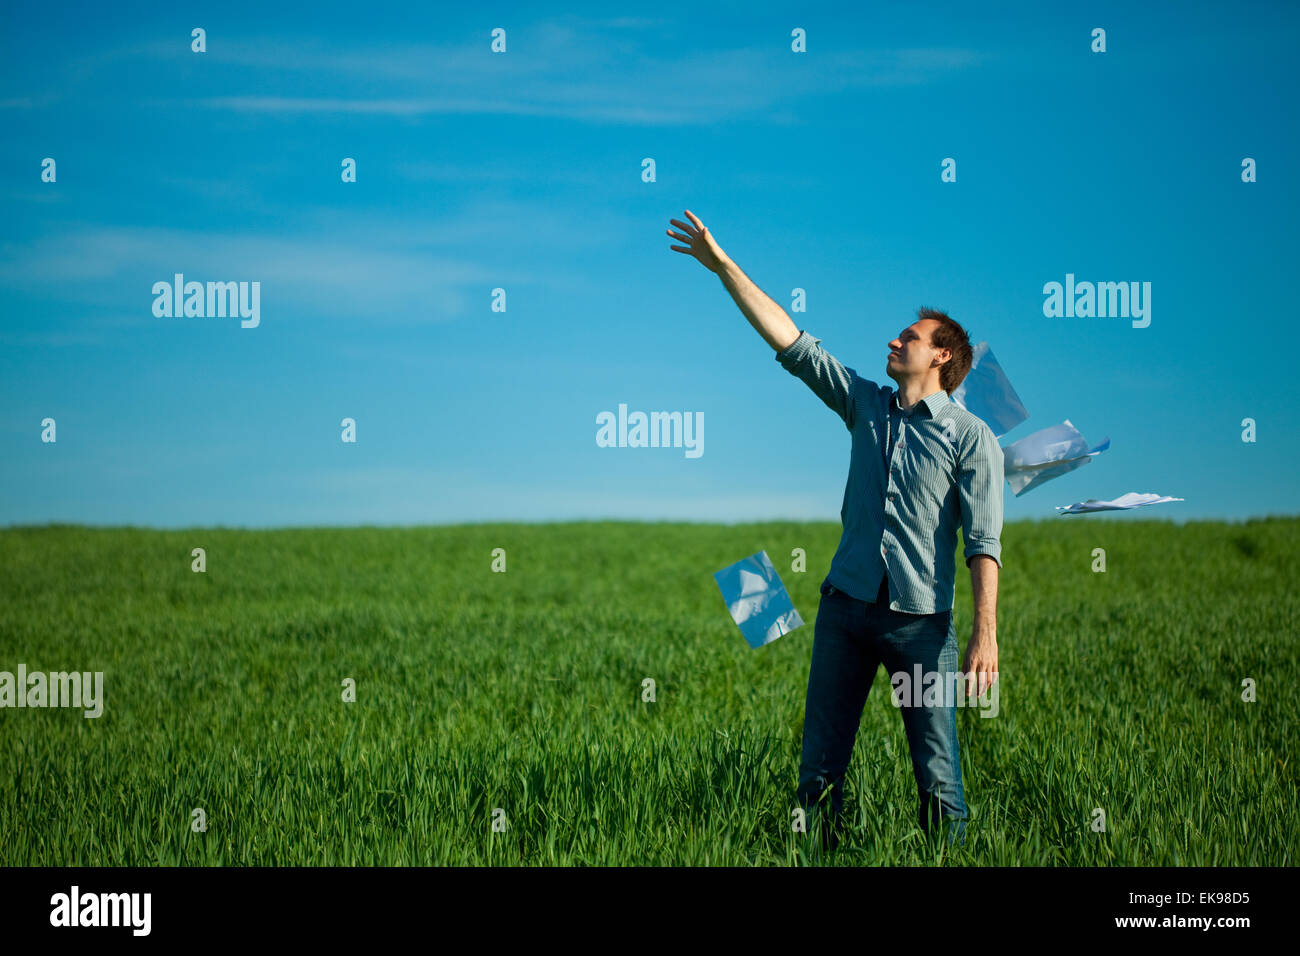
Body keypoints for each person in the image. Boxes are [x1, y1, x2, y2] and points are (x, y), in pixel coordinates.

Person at [668, 209, 1003, 851]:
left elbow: (983, 544)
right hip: (844, 613)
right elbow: (793, 343)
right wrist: (723, 267)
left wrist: (984, 635)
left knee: (939, 782)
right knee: (819, 775)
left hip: (923, 625)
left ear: (941, 355)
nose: (894, 340)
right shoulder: (865, 404)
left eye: (910, 336)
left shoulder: (971, 438)